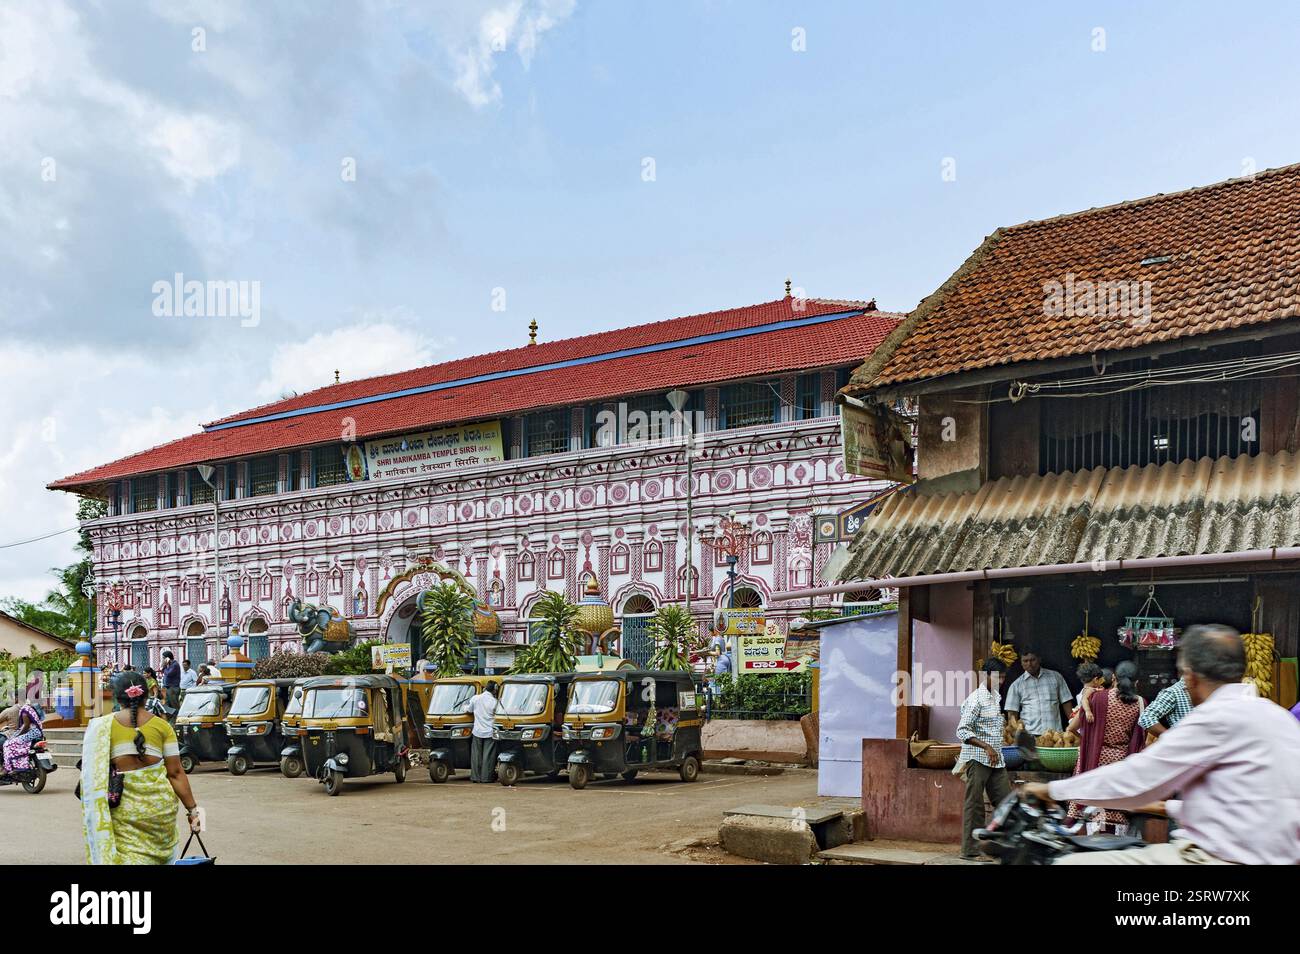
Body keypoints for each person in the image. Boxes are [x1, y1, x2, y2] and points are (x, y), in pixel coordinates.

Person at [1025, 624, 1300, 865]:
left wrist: (1052, 790)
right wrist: (1166, 808)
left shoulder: (1214, 717)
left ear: (1190, 676)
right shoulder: (1279, 718)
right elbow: (1248, 805)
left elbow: (1137, 778)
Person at [81, 670, 202, 864]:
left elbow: (93, 776)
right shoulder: (163, 727)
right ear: (146, 696)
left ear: (117, 697)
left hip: (124, 814)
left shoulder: (102, 727)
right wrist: (195, 813)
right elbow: (176, 773)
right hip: (160, 814)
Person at [1065, 660, 1145, 832]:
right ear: (1137, 682)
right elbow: (1140, 736)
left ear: (1114, 677)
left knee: (1095, 815)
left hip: (1095, 760)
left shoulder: (1096, 698)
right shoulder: (1140, 703)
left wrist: (1087, 738)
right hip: (1121, 765)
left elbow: (1073, 726)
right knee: (1118, 818)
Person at [955, 658, 1010, 861]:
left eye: (1003, 676)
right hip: (977, 758)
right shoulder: (976, 699)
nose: (1001, 680)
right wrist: (986, 746)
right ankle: (970, 850)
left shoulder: (995, 696)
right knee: (974, 804)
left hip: (996, 759)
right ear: (985, 676)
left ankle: (1004, 846)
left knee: (1006, 802)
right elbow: (962, 730)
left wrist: (994, 747)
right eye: (997, 676)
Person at [1004, 647, 1074, 734]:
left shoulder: (1055, 677)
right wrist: (1015, 735)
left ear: (1039, 659)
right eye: (1025, 661)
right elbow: (1012, 715)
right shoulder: (1016, 685)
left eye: (1032, 660)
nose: (1029, 664)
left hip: (1055, 734)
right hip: (1029, 735)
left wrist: (1073, 725)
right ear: (1021, 663)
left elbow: (1066, 702)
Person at [466, 682, 499, 783]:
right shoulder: (494, 702)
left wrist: (464, 707)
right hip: (489, 731)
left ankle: (475, 777)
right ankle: (486, 777)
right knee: (488, 755)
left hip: (477, 731)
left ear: (485, 688)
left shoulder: (475, 698)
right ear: (495, 690)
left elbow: (468, 709)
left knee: (476, 755)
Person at [1, 701, 43, 773]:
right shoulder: (29, 708)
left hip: (32, 732)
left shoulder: (24, 712)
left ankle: (8, 767)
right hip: (36, 731)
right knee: (11, 741)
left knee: (7, 744)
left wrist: (18, 736)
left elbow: (26, 726)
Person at [160, 651, 181, 717]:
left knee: (174, 705)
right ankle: (171, 718)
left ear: (168, 658)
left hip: (173, 688)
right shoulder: (169, 665)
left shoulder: (175, 664)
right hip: (167, 687)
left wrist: (165, 667)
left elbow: (169, 674)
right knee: (166, 705)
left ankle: (177, 718)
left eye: (163, 658)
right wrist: (164, 666)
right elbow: (162, 671)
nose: (162, 659)